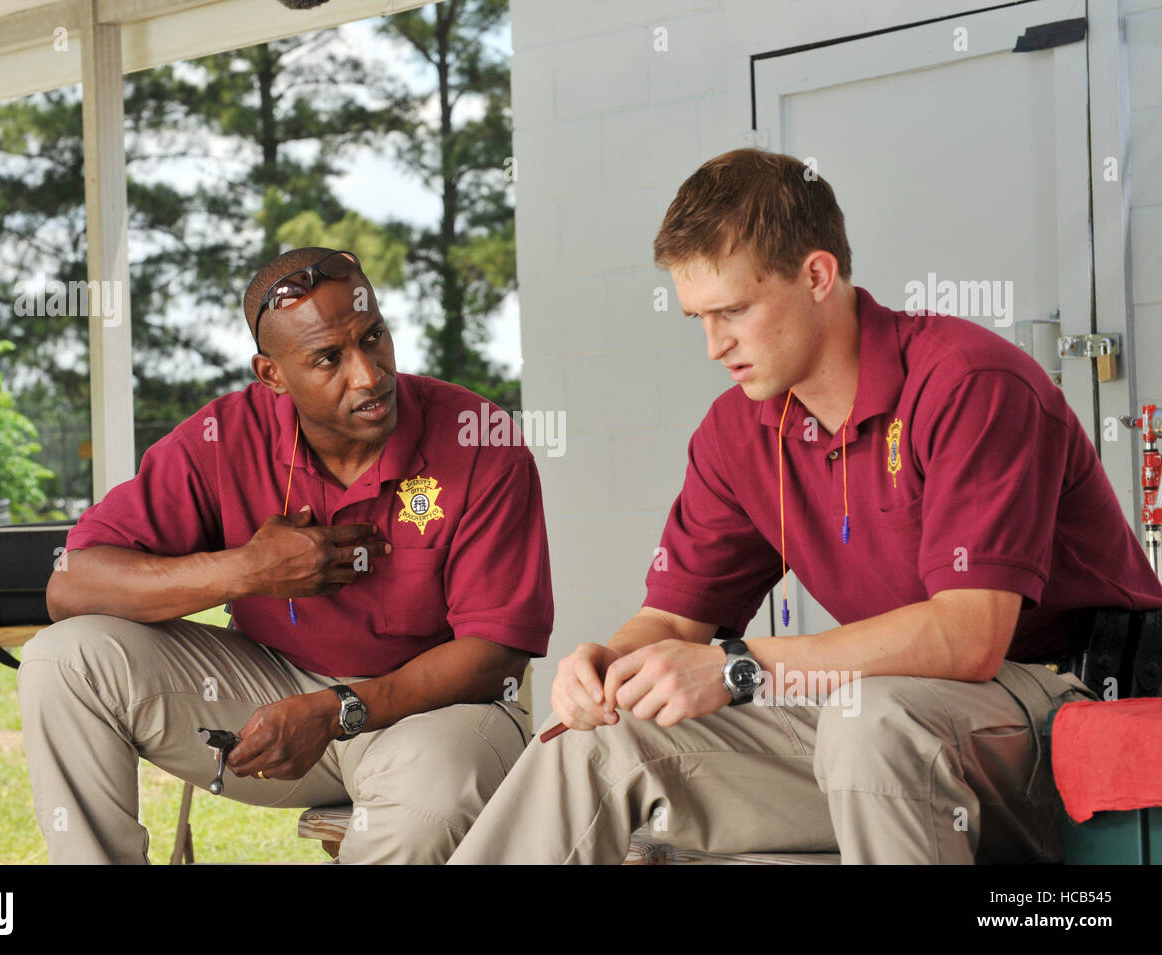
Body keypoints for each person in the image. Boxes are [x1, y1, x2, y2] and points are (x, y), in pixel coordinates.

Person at [448, 148, 1162, 865]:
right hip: (892, 722)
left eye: (733, 311)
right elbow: (673, 619)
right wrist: (608, 665)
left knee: (872, 722)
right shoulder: (738, 431)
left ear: (817, 275)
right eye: (699, 316)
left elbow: (970, 636)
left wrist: (736, 666)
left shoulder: (969, 382)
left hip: (1064, 706)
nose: (713, 345)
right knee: (597, 743)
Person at [20, 247, 552, 864]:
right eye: (329, 358)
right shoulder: (222, 438)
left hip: (433, 715)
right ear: (272, 375)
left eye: (373, 336)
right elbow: (71, 585)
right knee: (63, 660)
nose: (368, 375)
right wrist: (249, 570)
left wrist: (336, 710)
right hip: (268, 693)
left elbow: (495, 658)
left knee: (428, 806)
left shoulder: (478, 440)